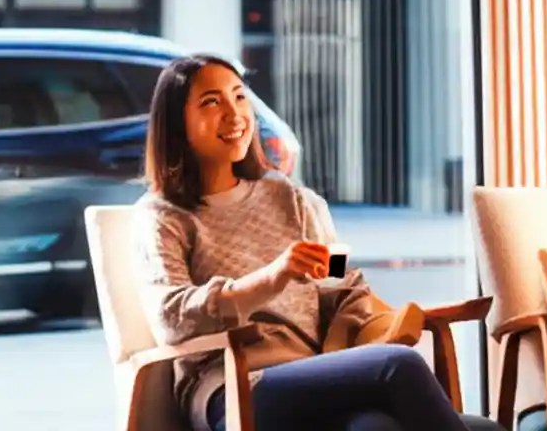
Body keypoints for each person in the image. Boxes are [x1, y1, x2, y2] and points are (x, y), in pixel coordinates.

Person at [131, 53, 473, 431]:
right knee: (398, 365)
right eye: (212, 102)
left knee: (376, 427)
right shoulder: (162, 215)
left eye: (239, 96)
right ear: (176, 122)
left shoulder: (288, 198)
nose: (234, 113)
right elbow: (170, 316)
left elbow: (339, 282)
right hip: (234, 388)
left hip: (313, 373)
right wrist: (271, 278)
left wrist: (370, 319)